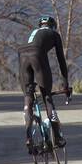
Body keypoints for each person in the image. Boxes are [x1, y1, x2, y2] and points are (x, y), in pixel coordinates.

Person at [19, 14, 71, 150]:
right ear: (53, 26)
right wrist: (65, 84)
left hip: (22, 55)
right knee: (47, 97)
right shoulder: (54, 34)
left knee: (28, 97)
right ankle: (58, 138)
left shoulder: (33, 33)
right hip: (37, 54)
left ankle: (29, 136)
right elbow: (61, 61)